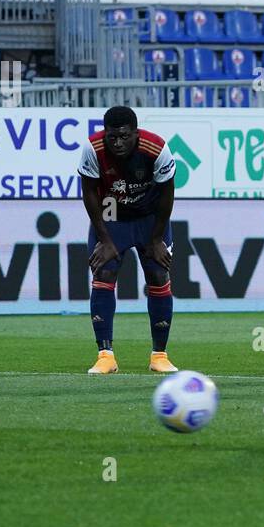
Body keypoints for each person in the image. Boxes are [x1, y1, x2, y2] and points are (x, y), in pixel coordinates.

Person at [79, 105, 178, 375]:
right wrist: (104, 238)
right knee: (104, 270)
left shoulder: (157, 148)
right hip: (111, 215)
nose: (118, 143)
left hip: (149, 218)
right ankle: (105, 356)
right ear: (105, 133)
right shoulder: (92, 149)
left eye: (124, 136)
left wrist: (157, 239)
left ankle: (159, 356)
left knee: (159, 275)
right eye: (112, 137)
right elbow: (88, 193)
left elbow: (168, 193)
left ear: (136, 133)